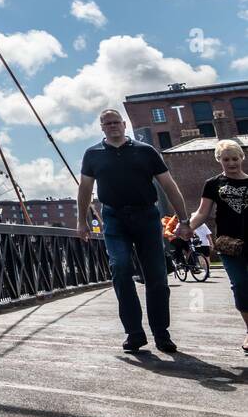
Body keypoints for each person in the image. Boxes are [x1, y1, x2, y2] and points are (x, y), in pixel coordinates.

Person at [76, 108, 190, 353]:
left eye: (116, 122)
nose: (113, 126)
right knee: (120, 266)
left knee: (156, 275)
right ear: (102, 127)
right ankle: (134, 333)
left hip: (147, 216)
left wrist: (184, 220)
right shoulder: (92, 154)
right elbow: (85, 189)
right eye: (107, 123)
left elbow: (169, 185)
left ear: (124, 124)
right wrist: (81, 222)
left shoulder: (145, 151)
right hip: (114, 217)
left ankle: (162, 333)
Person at [188, 138, 248, 353]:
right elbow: (202, 212)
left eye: (235, 158)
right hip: (229, 243)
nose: (231, 163)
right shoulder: (213, 184)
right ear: (219, 160)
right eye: (226, 159)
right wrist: (188, 227)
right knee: (240, 285)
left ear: (242, 157)